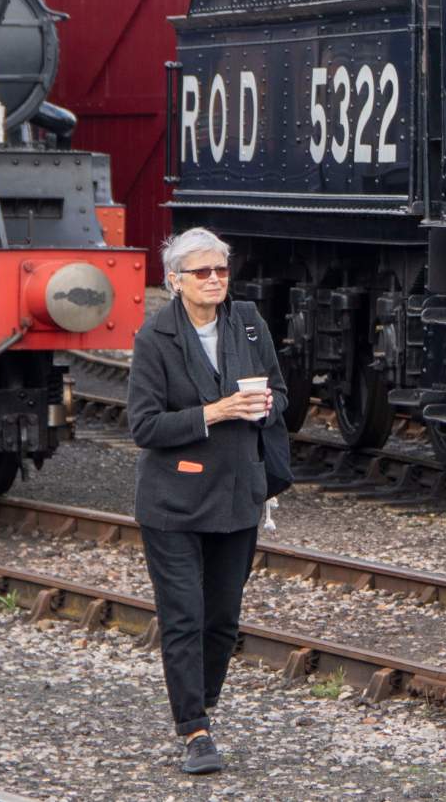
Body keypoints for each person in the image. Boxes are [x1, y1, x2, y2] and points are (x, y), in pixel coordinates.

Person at [128, 227, 287, 775]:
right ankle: (195, 729)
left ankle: (205, 703)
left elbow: (281, 392)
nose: (215, 279)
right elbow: (144, 426)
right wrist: (217, 412)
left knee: (222, 619)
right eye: (202, 272)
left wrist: (265, 403)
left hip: (239, 492)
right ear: (175, 281)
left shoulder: (248, 321)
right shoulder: (155, 339)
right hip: (173, 501)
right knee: (183, 617)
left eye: (221, 269)